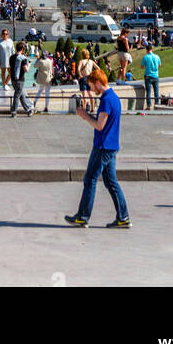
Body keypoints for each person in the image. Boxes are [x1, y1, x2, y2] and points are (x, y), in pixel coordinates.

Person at [65, 67, 131, 228]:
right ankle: (123, 217)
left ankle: (83, 216)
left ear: (98, 83)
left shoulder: (106, 100)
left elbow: (99, 125)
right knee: (110, 182)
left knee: (90, 179)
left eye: (91, 86)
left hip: (103, 146)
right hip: (111, 145)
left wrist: (84, 115)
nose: (90, 89)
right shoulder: (113, 97)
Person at [9, 41, 33, 117]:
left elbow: (11, 68)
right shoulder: (23, 58)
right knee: (17, 95)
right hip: (20, 80)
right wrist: (29, 64)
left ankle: (28, 110)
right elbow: (26, 70)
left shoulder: (11, 57)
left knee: (21, 95)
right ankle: (13, 112)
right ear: (22, 49)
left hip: (13, 79)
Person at [141, 45, 161, 110]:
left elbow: (142, 66)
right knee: (156, 91)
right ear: (152, 49)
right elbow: (159, 65)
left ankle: (149, 105)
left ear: (146, 50)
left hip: (148, 76)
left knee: (148, 92)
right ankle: (157, 104)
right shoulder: (157, 56)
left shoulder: (145, 57)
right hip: (155, 76)